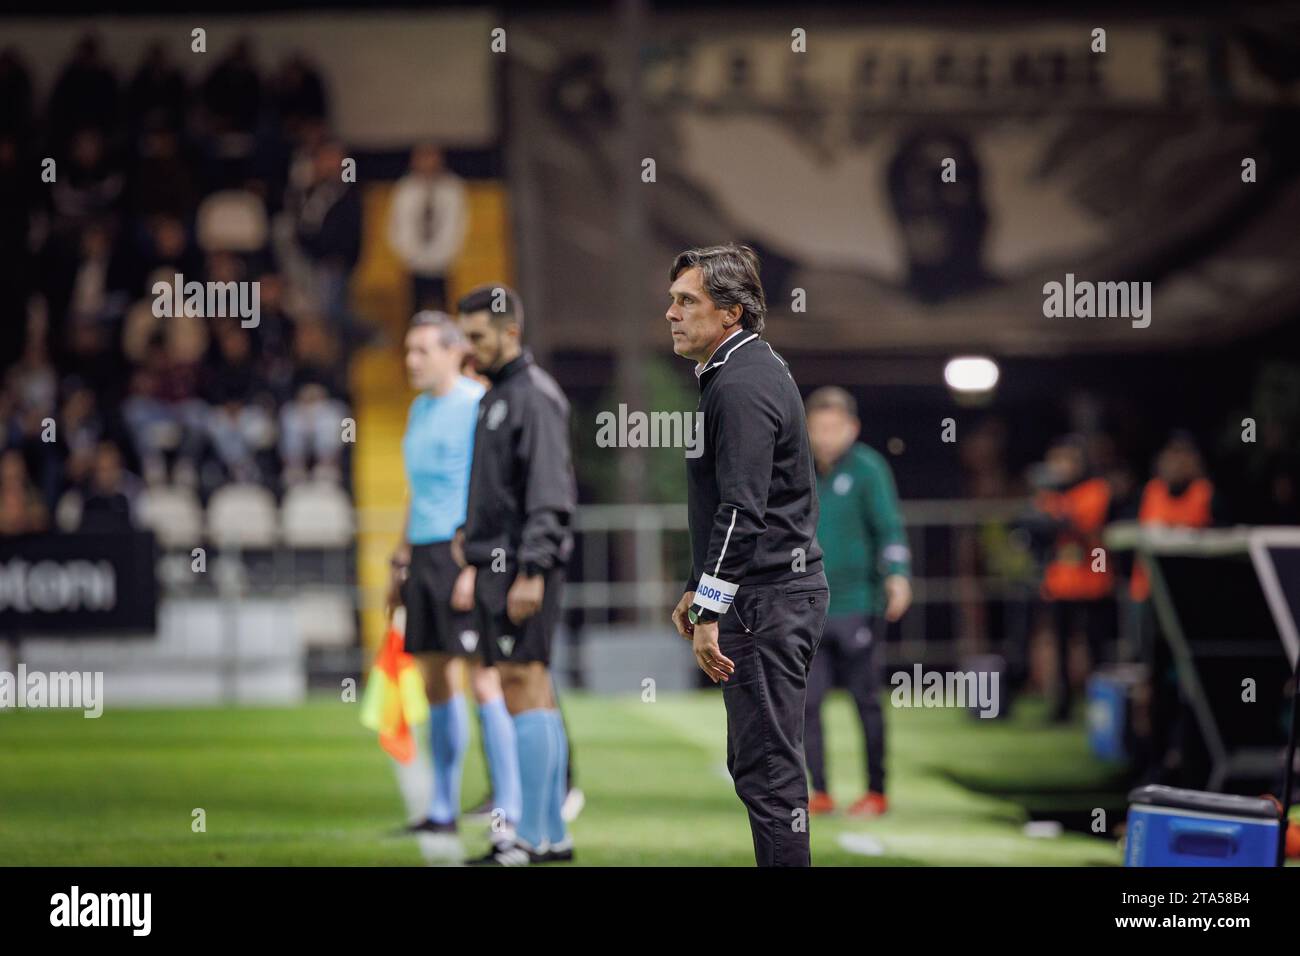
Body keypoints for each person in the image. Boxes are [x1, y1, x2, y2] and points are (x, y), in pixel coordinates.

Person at [667, 243, 828, 867]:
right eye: (672, 300)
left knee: (769, 771)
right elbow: (724, 508)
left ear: (731, 312)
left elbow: (741, 510)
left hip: (766, 600)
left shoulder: (741, 381)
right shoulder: (740, 369)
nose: (672, 313)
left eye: (688, 301)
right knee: (760, 765)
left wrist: (710, 606)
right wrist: (695, 584)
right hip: (765, 595)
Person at [385, 310, 522, 860]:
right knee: (436, 681)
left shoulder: (476, 405)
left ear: (451, 351)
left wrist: (474, 564)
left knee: (486, 682)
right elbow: (419, 491)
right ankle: (441, 808)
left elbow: (490, 492)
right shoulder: (419, 409)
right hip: (422, 555)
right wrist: (399, 559)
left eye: (422, 351)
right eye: (408, 351)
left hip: (463, 551)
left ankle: (506, 811)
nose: (411, 361)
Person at [455, 285, 576, 865]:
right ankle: (551, 834)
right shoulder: (497, 395)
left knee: (522, 687)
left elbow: (550, 495)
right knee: (532, 690)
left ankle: (529, 834)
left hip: (520, 570)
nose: (469, 348)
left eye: (477, 337)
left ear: (510, 332)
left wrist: (531, 569)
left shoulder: (532, 396)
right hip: (498, 564)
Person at [802, 386, 911, 818]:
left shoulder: (868, 468)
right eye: (818, 428)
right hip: (809, 605)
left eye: (834, 427)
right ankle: (820, 791)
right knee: (808, 702)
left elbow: (889, 527)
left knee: (865, 699)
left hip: (858, 604)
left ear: (853, 428)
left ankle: (876, 790)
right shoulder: (796, 468)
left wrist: (898, 576)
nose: (826, 437)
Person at [1032, 435, 1114, 722]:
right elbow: (1036, 528)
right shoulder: (1051, 494)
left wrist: (1057, 519)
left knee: (1095, 648)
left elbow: (1083, 527)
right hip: (1059, 584)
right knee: (1060, 647)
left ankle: (1102, 707)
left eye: (1066, 461)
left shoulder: (1095, 490)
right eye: (1055, 461)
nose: (1060, 467)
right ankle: (1062, 706)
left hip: (1093, 581)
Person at [387, 144, 468, 312]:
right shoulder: (405, 189)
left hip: (442, 263)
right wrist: (408, 254)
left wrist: (446, 254)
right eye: (423, 158)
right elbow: (394, 225)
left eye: (431, 158)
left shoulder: (452, 189)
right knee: (414, 312)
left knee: (443, 311)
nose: (427, 163)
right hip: (414, 264)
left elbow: (459, 225)